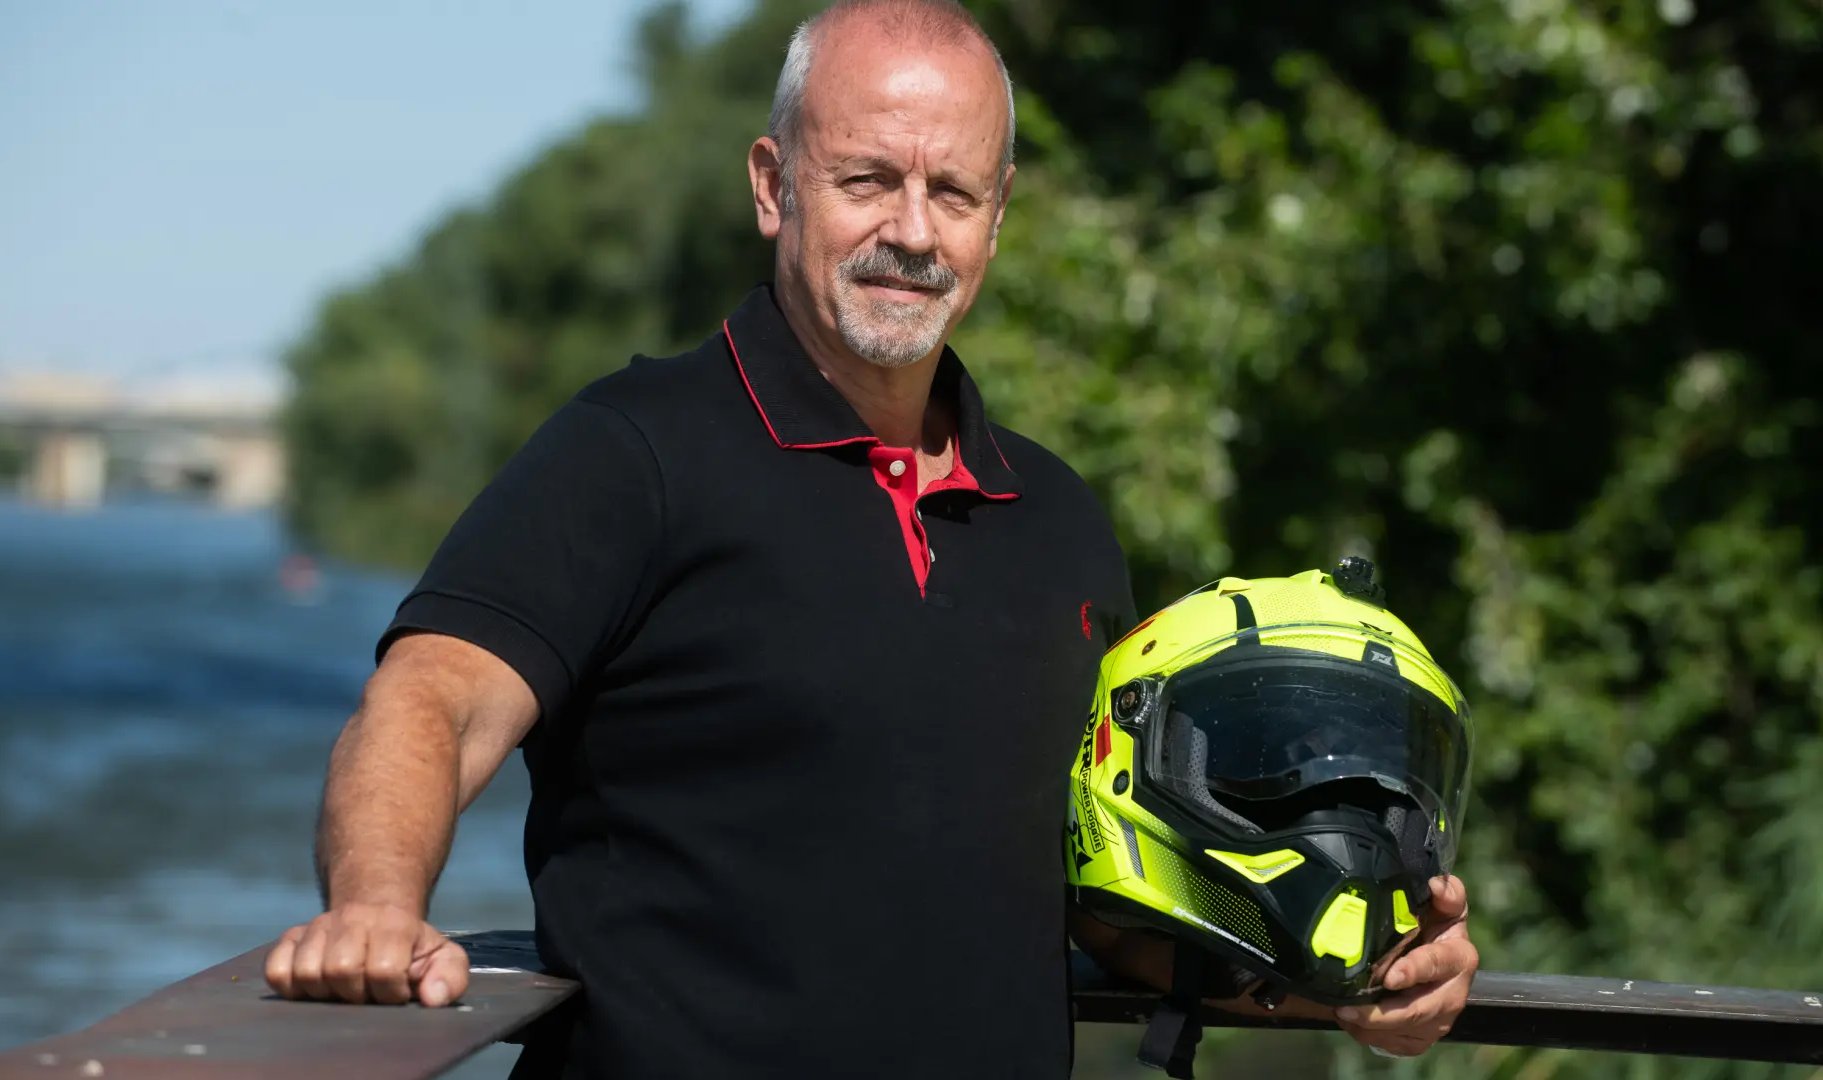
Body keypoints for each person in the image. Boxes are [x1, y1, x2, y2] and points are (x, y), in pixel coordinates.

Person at [263, 1, 1478, 1075]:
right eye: (866, 180)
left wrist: (1351, 975)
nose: (913, 231)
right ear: (772, 185)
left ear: (998, 217)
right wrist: (376, 909)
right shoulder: (630, 453)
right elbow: (432, 701)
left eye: (953, 193)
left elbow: (1097, 902)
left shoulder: (1058, 518)